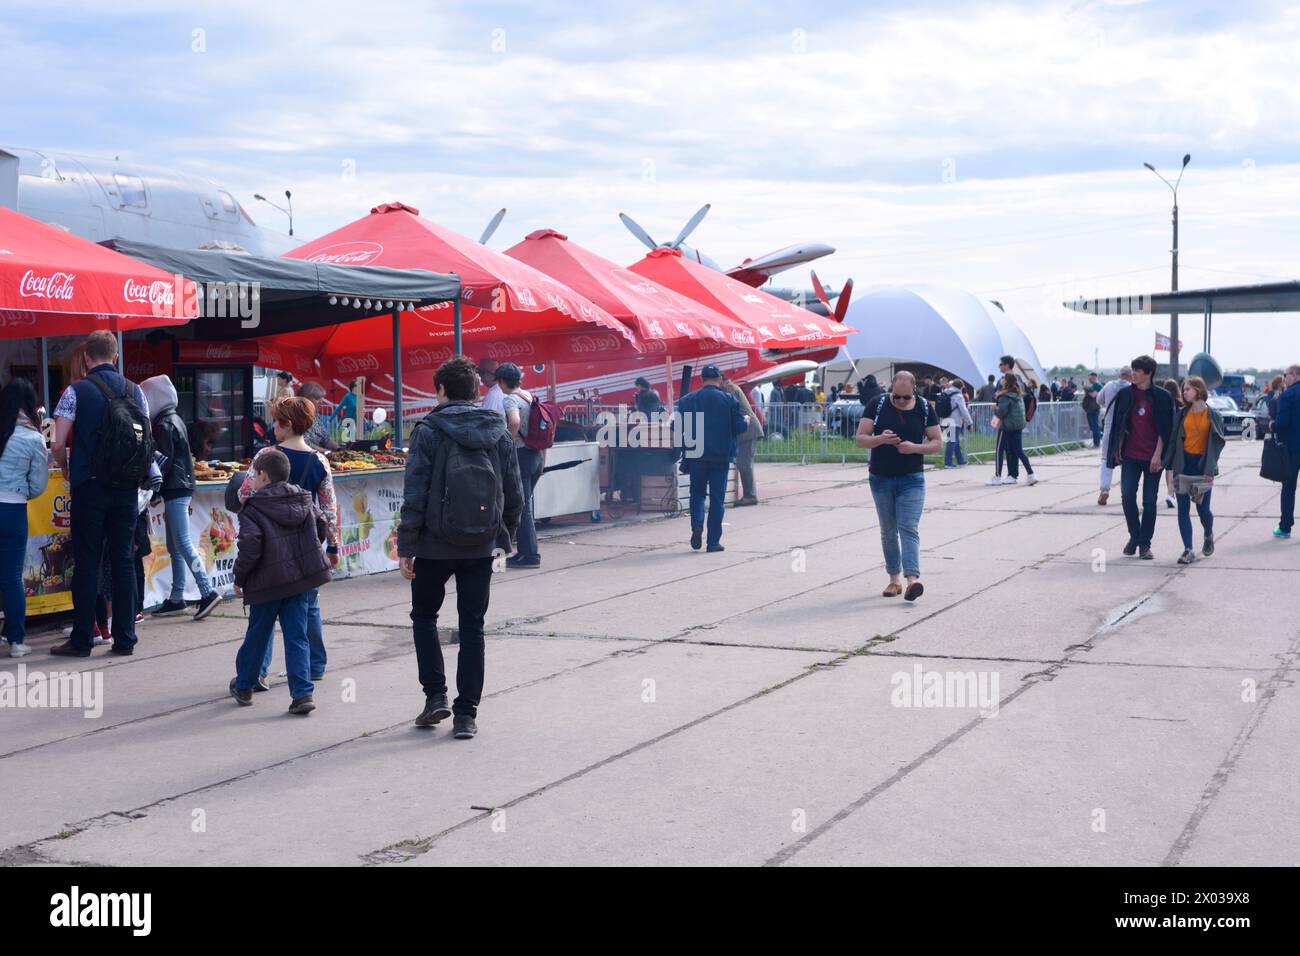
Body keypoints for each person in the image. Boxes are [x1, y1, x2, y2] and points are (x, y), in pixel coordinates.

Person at [397, 356, 523, 740]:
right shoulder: (499, 431)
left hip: (434, 545)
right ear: (474, 392)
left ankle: (436, 696)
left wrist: (407, 545)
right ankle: (466, 715)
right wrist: (502, 538)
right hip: (481, 545)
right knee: (473, 626)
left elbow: (415, 492)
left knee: (424, 617)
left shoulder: (428, 430)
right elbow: (514, 493)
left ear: (441, 390)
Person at [50, 331, 150, 657]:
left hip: (89, 486)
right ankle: (125, 639)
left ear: (87, 358)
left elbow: (57, 442)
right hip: (126, 488)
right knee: (123, 560)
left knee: (87, 561)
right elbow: (146, 438)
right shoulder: (137, 391)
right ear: (116, 356)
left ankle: (82, 639)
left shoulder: (74, 392)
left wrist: (66, 468)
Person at [239, 397, 340, 686]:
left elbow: (244, 495)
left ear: (287, 425)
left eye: (276, 422)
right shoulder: (319, 460)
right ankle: (314, 665)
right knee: (308, 606)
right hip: (307, 545)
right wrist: (332, 546)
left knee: (265, 609)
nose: (273, 426)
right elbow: (329, 508)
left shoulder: (265, 457)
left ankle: (258, 670)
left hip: (268, 546)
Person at [228, 449, 331, 715]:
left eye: (254, 474)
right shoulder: (303, 497)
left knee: (258, 635)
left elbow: (250, 548)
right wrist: (306, 550)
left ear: (263, 475)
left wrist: (239, 578)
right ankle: (302, 694)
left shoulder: (254, 507)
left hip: (266, 584)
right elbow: (322, 526)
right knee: (297, 636)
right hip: (299, 581)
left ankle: (244, 686)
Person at [140, 375, 221, 620]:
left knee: (183, 543)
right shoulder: (175, 420)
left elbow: (161, 463)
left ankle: (207, 592)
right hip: (181, 486)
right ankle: (177, 597)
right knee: (176, 545)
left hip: (175, 488)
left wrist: (149, 489)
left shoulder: (164, 424)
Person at [856, 371, 941, 601]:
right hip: (881, 478)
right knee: (888, 530)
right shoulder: (878, 404)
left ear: (914, 390)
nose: (901, 401)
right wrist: (880, 439)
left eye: (906, 398)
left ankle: (912, 580)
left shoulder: (924, 407)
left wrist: (914, 447)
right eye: (897, 397)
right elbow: (860, 438)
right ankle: (894, 579)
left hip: (912, 478)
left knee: (908, 528)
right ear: (891, 390)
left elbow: (936, 443)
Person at [1106, 355, 1175, 560]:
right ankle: (1135, 536)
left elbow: (1166, 429)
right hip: (1130, 456)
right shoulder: (1125, 394)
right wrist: (1116, 448)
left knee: (1149, 502)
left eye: (1137, 371)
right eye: (1132, 370)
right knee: (1127, 496)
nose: (1132, 374)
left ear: (1149, 374)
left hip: (1153, 458)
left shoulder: (1162, 397)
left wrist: (1157, 455)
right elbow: (1119, 424)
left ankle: (1145, 544)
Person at [0, 379, 49, 657]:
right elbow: (40, 484)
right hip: (13, 509)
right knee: (11, 577)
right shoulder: (33, 438)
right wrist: (23, 493)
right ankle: (16, 641)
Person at [677, 365, 748, 552]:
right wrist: (746, 421)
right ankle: (713, 542)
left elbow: (675, 426)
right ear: (719, 380)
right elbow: (739, 427)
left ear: (701, 379)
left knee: (697, 494)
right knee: (717, 499)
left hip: (696, 455)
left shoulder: (687, 401)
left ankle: (697, 525)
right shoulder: (729, 400)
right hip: (720, 457)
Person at [1164, 376, 1224, 565]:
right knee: (1183, 510)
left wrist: (1210, 468)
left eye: (1188, 389)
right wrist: (1167, 463)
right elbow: (1174, 440)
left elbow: (1217, 444)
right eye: (1183, 389)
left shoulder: (1213, 415)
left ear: (1198, 390)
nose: (1184, 392)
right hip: (1183, 466)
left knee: (1203, 509)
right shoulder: (1182, 413)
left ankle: (1208, 534)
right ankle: (1188, 549)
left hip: (1203, 467)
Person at [496, 363, 542, 568]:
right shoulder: (529, 396)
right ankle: (526, 552)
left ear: (503, 381)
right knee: (526, 506)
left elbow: (513, 422)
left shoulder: (510, 399)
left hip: (522, 456)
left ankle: (530, 555)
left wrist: (510, 442)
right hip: (536, 455)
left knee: (522, 508)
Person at [988, 355, 1037, 486]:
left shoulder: (1007, 383)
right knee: (1015, 449)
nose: (999, 366)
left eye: (1001, 364)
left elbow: (1001, 403)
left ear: (1006, 365)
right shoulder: (1017, 382)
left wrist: (996, 408)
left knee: (1006, 449)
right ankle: (1019, 474)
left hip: (1007, 420)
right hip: (1017, 420)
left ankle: (1009, 474)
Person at [722, 372, 763, 505]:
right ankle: (749, 494)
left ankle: (750, 496)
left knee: (744, 463)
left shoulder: (730, 389)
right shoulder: (731, 387)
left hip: (748, 430)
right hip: (747, 429)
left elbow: (730, 410)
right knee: (745, 463)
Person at [1271, 364, 1300, 539]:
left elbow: (1281, 423)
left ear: (1295, 375)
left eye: (1286, 375)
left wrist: (1271, 425)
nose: (1284, 378)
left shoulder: (1288, 395)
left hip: (1291, 448)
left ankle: (1285, 527)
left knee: (1289, 488)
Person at [1096, 366, 1132, 505]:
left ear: (1120, 374)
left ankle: (1105, 489)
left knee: (1106, 458)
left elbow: (1099, 400)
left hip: (1109, 427)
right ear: (1130, 376)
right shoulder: (1131, 388)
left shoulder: (1110, 385)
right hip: (1126, 430)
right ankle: (1125, 493)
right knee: (1126, 462)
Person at [994, 374, 1028, 483]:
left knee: (1000, 450)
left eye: (1003, 378)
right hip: (1018, 425)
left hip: (1007, 426)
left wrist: (995, 409)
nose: (1001, 380)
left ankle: (998, 476)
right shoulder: (1018, 394)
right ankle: (1017, 475)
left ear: (1006, 381)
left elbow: (1001, 412)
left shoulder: (1005, 396)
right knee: (1016, 450)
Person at [1161, 379, 1184, 509]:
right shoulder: (1181, 404)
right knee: (1176, 468)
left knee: (1168, 468)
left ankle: (1170, 493)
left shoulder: (1163, 403)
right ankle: (1173, 493)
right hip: (1178, 440)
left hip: (1165, 439)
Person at [940, 377, 973, 467]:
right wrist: (970, 423)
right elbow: (964, 410)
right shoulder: (958, 396)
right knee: (952, 441)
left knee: (954, 441)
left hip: (944, 419)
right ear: (961, 387)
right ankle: (948, 463)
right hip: (954, 421)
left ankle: (960, 461)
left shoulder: (945, 392)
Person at [299, 381, 339, 451]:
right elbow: (304, 443)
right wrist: (327, 452)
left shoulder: (315, 416)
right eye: (317, 399)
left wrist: (339, 449)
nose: (321, 402)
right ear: (306, 399)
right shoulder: (296, 416)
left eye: (322, 398)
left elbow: (325, 438)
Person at [1082, 372, 1103, 448]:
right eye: (1089, 378)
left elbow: (1094, 395)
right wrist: (1087, 388)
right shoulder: (1090, 386)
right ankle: (1103, 436)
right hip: (1089, 409)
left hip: (1094, 408)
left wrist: (1085, 387)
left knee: (1095, 427)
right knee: (1092, 427)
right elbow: (1086, 395)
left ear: (1095, 378)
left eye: (1091, 378)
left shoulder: (1097, 385)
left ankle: (1096, 444)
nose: (1090, 379)